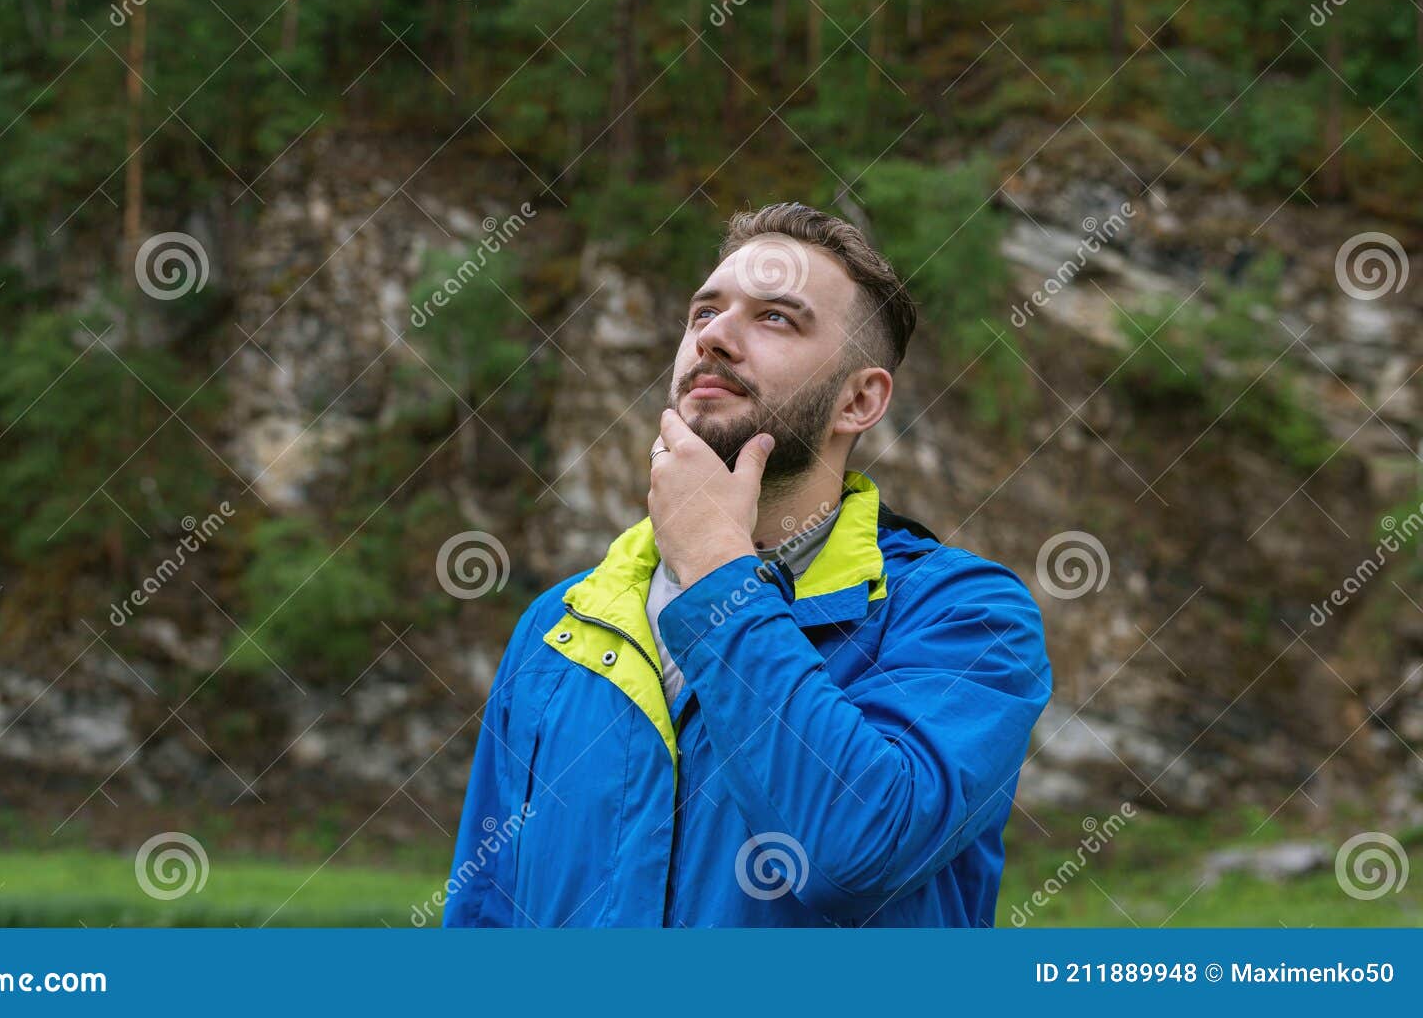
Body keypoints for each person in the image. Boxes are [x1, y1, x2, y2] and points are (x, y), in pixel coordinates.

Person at [443, 201, 1052, 927]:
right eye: (704, 311)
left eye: (776, 319)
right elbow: (484, 916)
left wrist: (717, 569)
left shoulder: (967, 615)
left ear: (859, 399)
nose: (715, 338)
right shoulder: (558, 627)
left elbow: (856, 852)